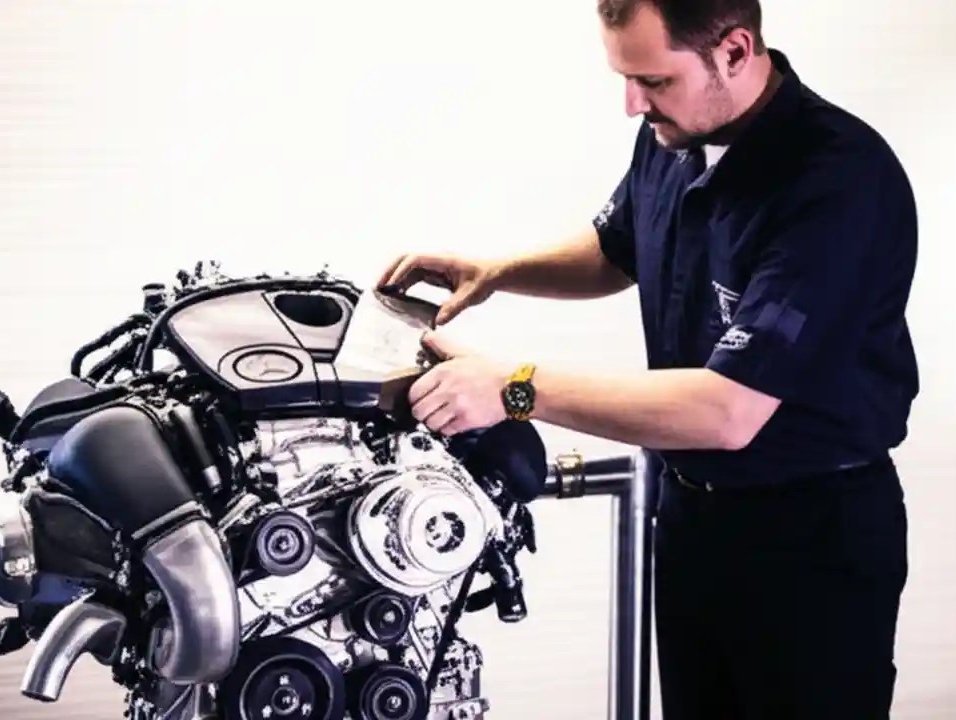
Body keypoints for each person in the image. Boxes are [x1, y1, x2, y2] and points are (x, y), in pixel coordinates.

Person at [376, 0, 917, 717]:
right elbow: (617, 248)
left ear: (734, 51)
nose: (632, 103)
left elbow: (728, 412)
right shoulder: (673, 133)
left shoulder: (836, 182)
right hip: (694, 517)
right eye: (625, 77)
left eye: (653, 81)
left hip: (811, 542)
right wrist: (498, 270)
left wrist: (514, 390)